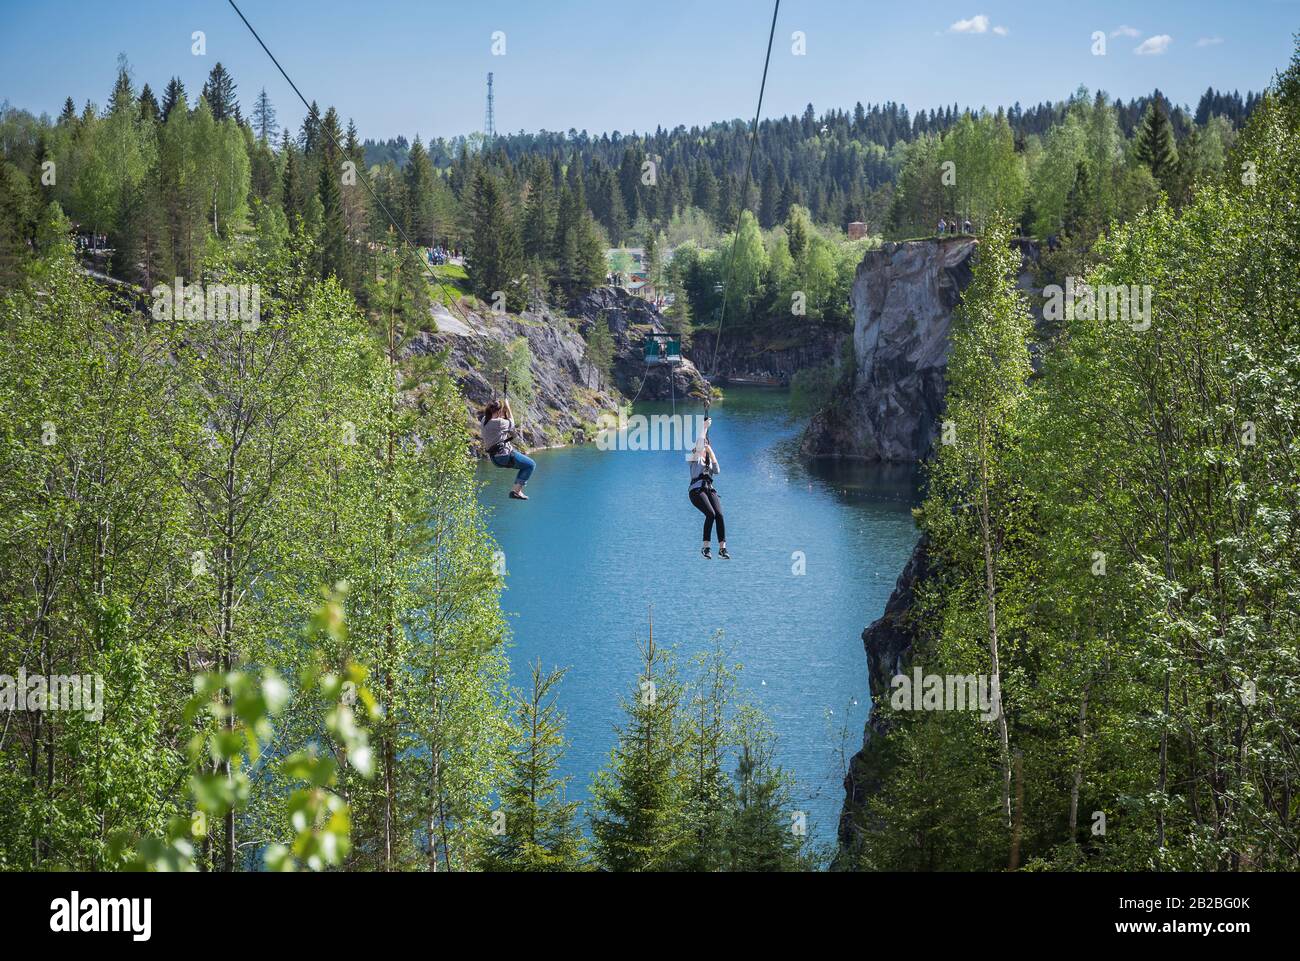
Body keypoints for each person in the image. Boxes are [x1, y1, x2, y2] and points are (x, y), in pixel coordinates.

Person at [688, 420, 729, 559]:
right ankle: (705, 547)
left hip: (709, 490)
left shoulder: (708, 462)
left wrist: (711, 453)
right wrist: (703, 427)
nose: (703, 447)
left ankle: (722, 549)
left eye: (706, 445)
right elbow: (699, 443)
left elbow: (717, 471)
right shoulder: (693, 459)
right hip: (696, 492)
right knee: (710, 514)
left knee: (719, 515)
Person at [480, 399, 535, 500]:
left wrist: (503, 412)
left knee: (525, 465)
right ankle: (516, 491)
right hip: (504, 456)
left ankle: (517, 491)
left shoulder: (484, 420)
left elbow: (498, 423)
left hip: (494, 459)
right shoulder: (499, 423)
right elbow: (512, 424)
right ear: (499, 411)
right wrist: (508, 407)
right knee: (530, 465)